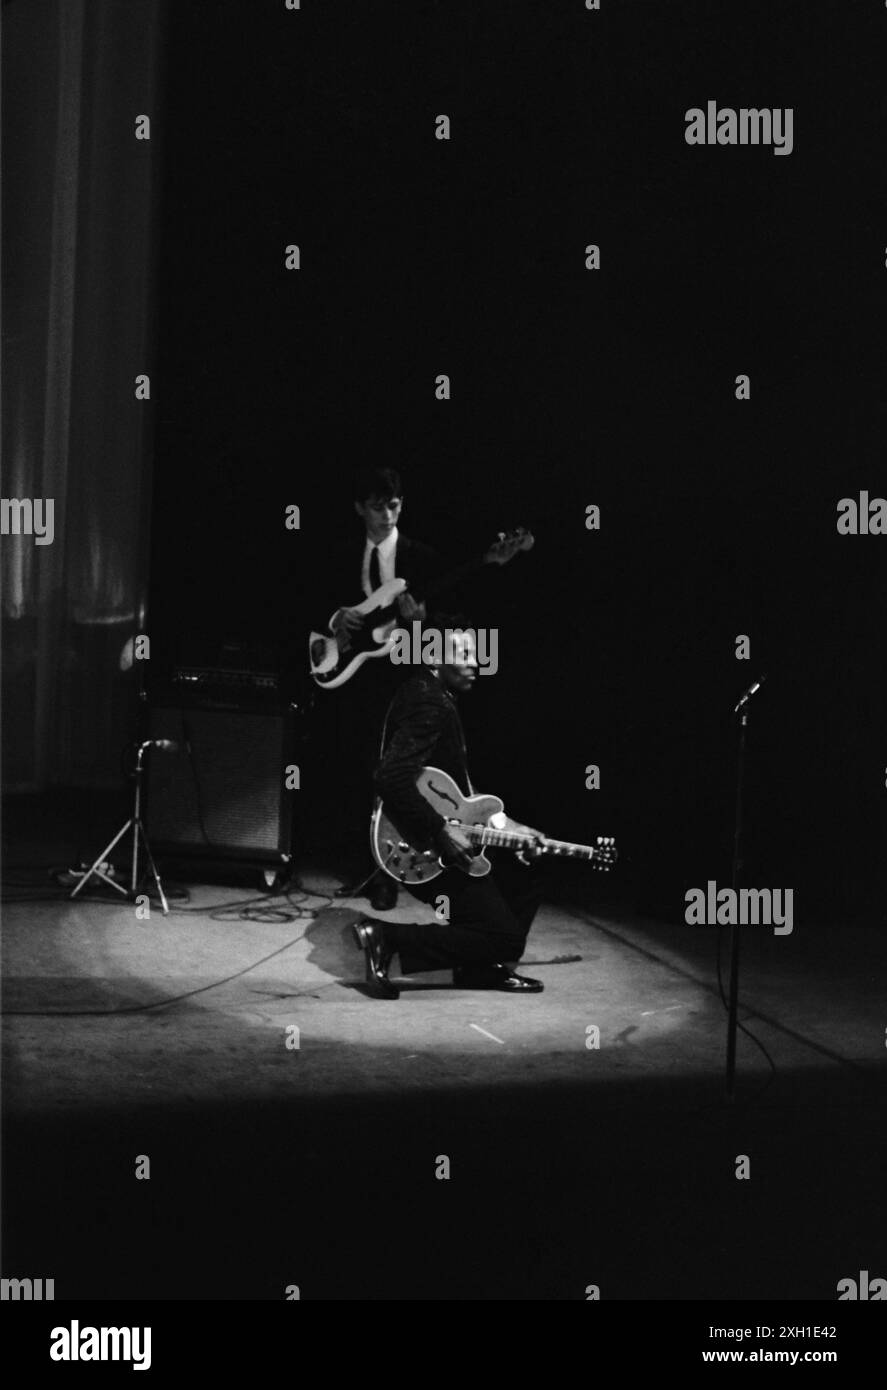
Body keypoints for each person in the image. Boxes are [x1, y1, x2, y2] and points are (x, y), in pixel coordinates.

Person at [352, 624, 546, 998]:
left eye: (476, 654)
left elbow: (460, 790)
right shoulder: (430, 702)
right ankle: (386, 936)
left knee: (527, 872)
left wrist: (509, 826)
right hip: (420, 841)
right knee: (504, 938)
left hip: (435, 828)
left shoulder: (430, 693)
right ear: (433, 658)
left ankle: (482, 969)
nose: (476, 663)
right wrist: (440, 830)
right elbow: (389, 777)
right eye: (464, 656)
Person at [308, 466, 437, 911]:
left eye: (395, 505)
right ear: (360, 508)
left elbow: (448, 629)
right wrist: (333, 620)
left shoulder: (421, 558)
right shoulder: (339, 554)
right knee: (354, 767)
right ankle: (361, 864)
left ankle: (391, 870)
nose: (388, 514)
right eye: (379, 506)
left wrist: (421, 623)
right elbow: (308, 607)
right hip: (354, 676)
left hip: (402, 677)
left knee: (394, 773)